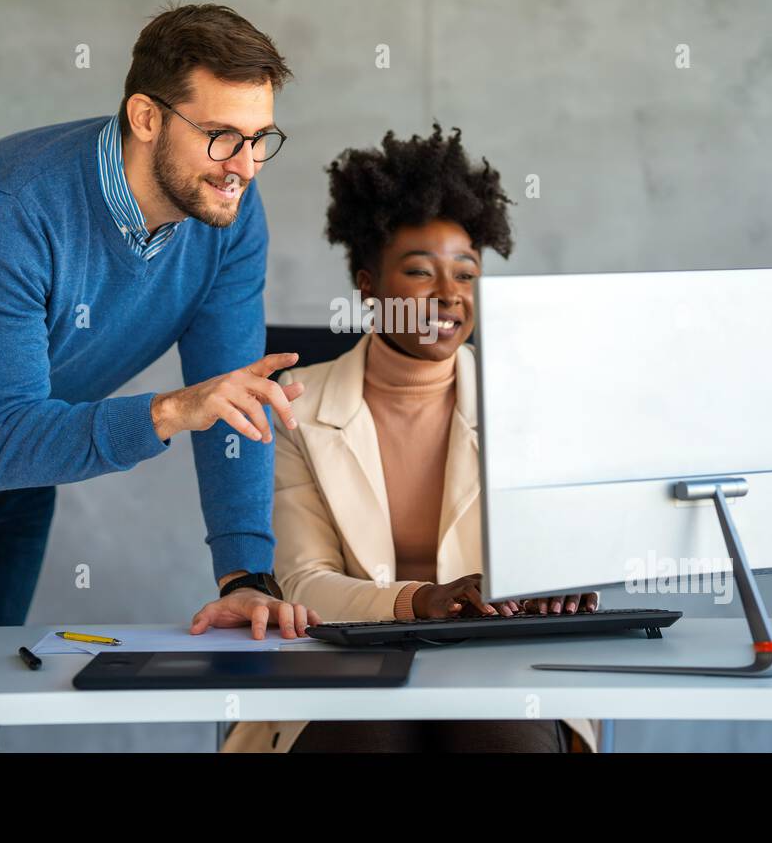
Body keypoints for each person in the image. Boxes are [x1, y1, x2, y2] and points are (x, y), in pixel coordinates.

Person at [0, 3, 320, 752]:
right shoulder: (7, 202)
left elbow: (233, 403)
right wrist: (171, 410)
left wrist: (245, 575)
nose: (243, 166)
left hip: (27, 440)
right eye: (221, 136)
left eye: (259, 139)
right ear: (146, 117)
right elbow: (3, 443)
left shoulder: (230, 213)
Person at [223, 125, 601, 753]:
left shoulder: (528, 398)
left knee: (501, 736)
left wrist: (560, 582)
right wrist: (417, 601)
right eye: (421, 272)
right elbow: (304, 583)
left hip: (502, 666)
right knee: (368, 739)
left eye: (466, 274)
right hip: (343, 667)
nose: (449, 296)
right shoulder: (297, 403)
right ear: (368, 286)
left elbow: (564, 549)